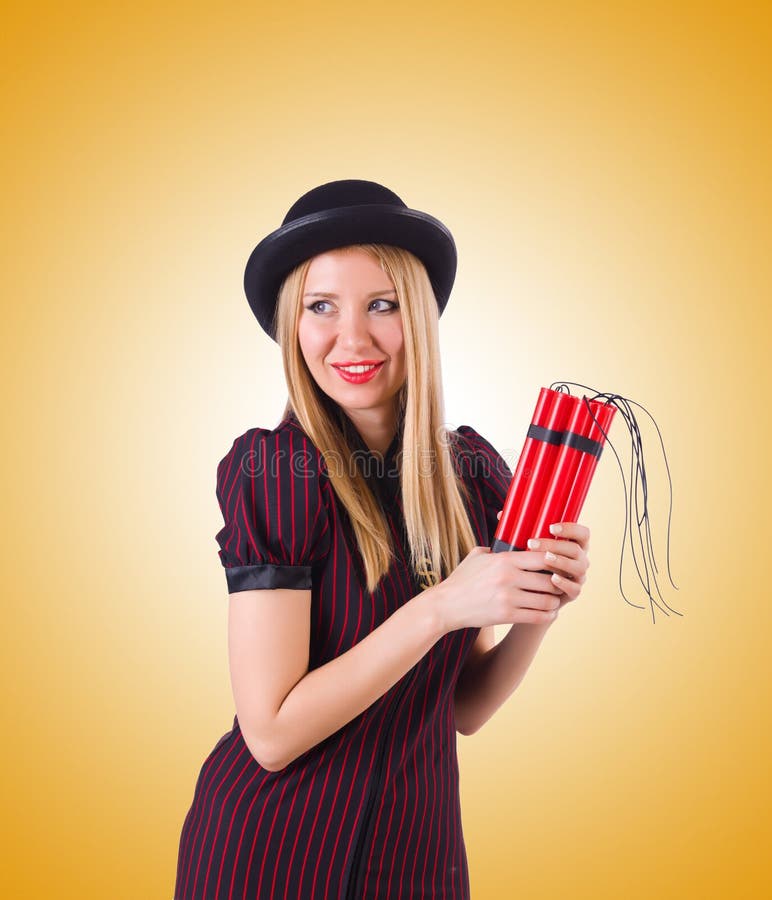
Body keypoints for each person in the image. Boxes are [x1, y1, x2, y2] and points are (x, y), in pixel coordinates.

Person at [173, 179, 590, 899]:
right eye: (321, 307)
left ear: (419, 318)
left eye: (383, 305)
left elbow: (462, 708)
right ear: (292, 326)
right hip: (274, 856)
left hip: (418, 853)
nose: (353, 338)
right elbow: (269, 735)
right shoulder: (277, 471)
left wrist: (538, 605)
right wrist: (439, 609)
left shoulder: (469, 474)